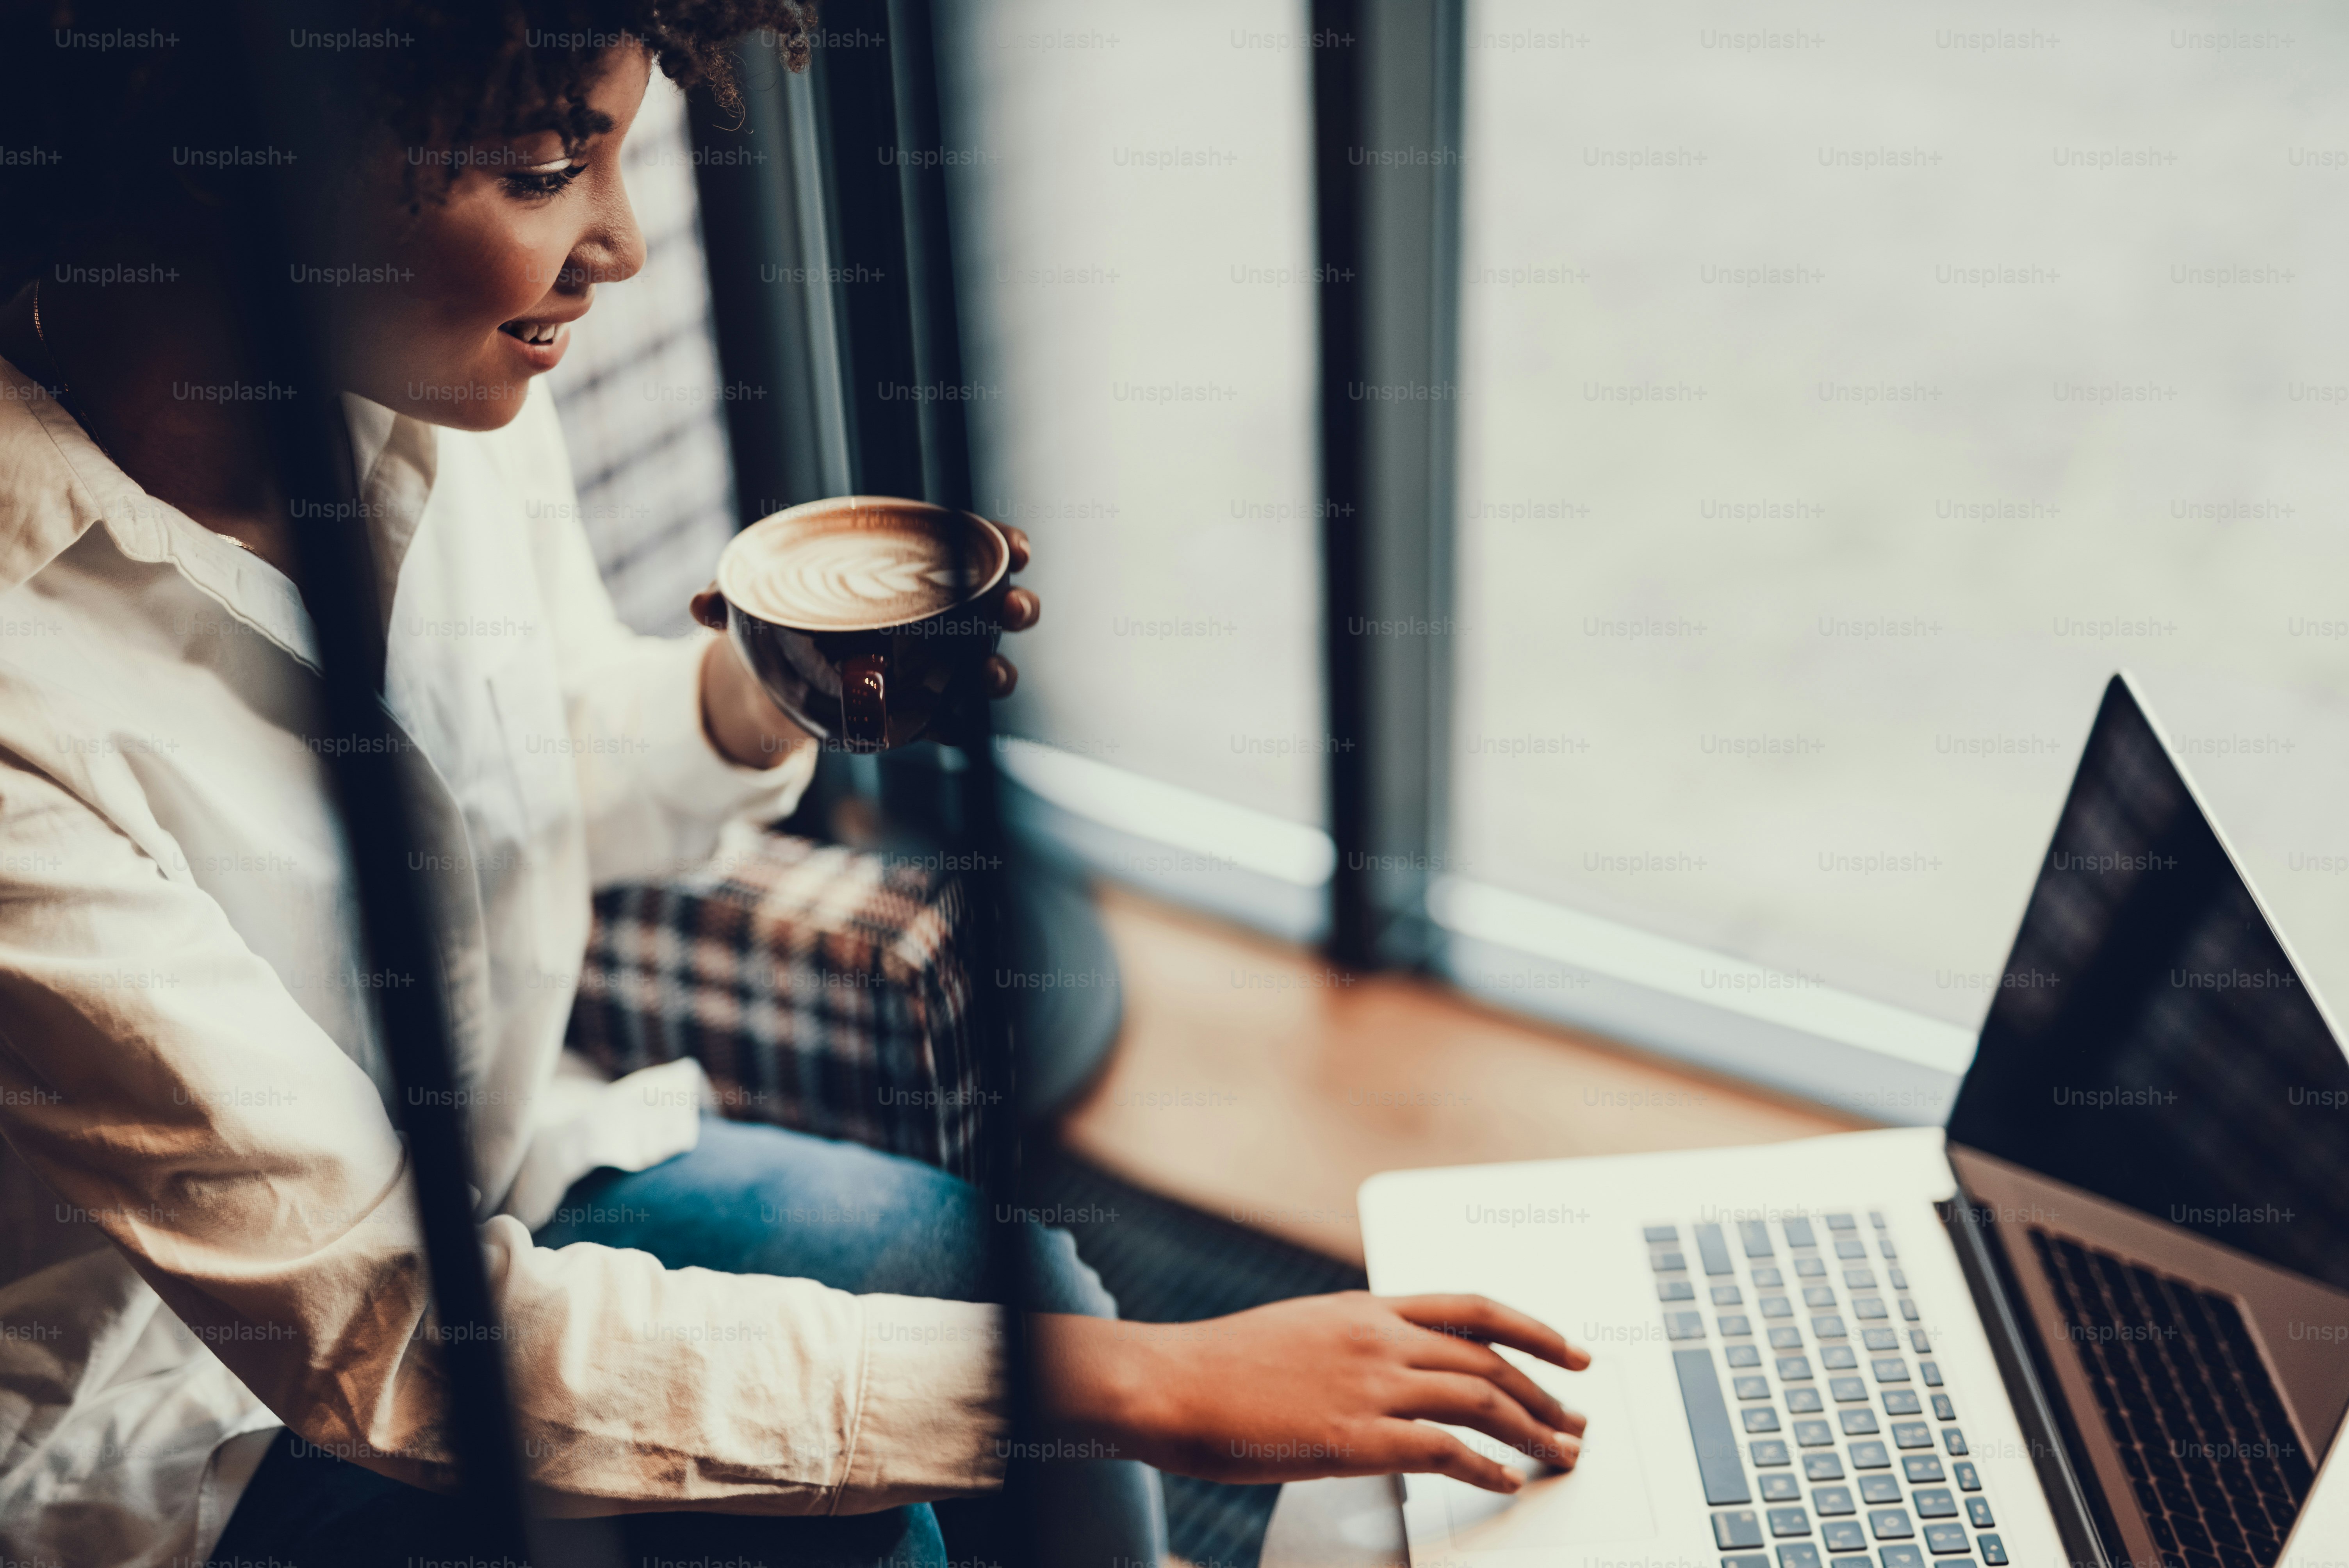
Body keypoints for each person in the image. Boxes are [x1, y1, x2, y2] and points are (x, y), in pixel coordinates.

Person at [0, 6, 1589, 1565]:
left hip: (496, 1183)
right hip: (175, 1427)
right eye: (551, 168)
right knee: (867, 1519)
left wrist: (757, 695)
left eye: (623, 157)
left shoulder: (431, 389)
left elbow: (531, 754)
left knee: (1021, 1298)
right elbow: (388, 1329)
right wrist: (1173, 1386)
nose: (619, 242)